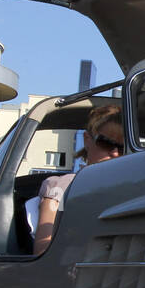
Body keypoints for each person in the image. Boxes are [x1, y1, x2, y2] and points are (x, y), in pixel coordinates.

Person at [32, 105, 124, 255]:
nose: (115, 153)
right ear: (87, 140)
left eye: (122, 147)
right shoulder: (61, 187)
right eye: (106, 143)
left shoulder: (133, 189)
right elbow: (43, 249)